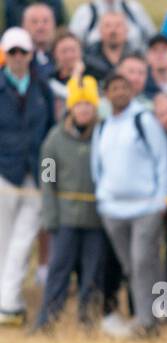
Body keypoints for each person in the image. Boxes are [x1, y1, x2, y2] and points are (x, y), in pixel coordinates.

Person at [91, 68, 167, 337]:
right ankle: (150, 314)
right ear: (106, 95)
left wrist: (161, 196)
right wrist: (102, 196)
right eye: (114, 89)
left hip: (146, 206)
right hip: (113, 209)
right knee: (130, 266)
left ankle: (147, 321)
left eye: (124, 88)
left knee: (142, 262)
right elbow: (96, 165)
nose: (120, 93)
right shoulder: (102, 126)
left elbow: (162, 158)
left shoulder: (143, 120)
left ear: (132, 91)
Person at [31, 73, 101, 332]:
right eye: (79, 104)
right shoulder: (53, 141)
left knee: (92, 272)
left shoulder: (103, 136)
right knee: (59, 270)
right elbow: (47, 182)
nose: (84, 109)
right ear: (71, 106)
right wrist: (50, 217)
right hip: (65, 220)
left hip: (95, 219)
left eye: (89, 104)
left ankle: (88, 320)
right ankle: (48, 319)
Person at [0, 26, 54, 325]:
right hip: (4, 177)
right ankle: (8, 301)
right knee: (3, 240)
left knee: (24, 240)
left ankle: (8, 303)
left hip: (35, 176)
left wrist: (50, 178)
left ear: (31, 55)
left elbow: (50, 138)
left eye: (23, 52)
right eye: (12, 52)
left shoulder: (41, 88)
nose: (18, 57)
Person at [68, 0, 153, 52]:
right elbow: (71, 43)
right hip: (95, 69)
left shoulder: (134, 9)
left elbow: (152, 38)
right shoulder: (85, 12)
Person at [80, 6, 128, 80]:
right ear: (100, 30)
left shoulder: (135, 56)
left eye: (118, 26)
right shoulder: (87, 58)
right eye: (107, 26)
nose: (113, 30)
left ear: (126, 30)